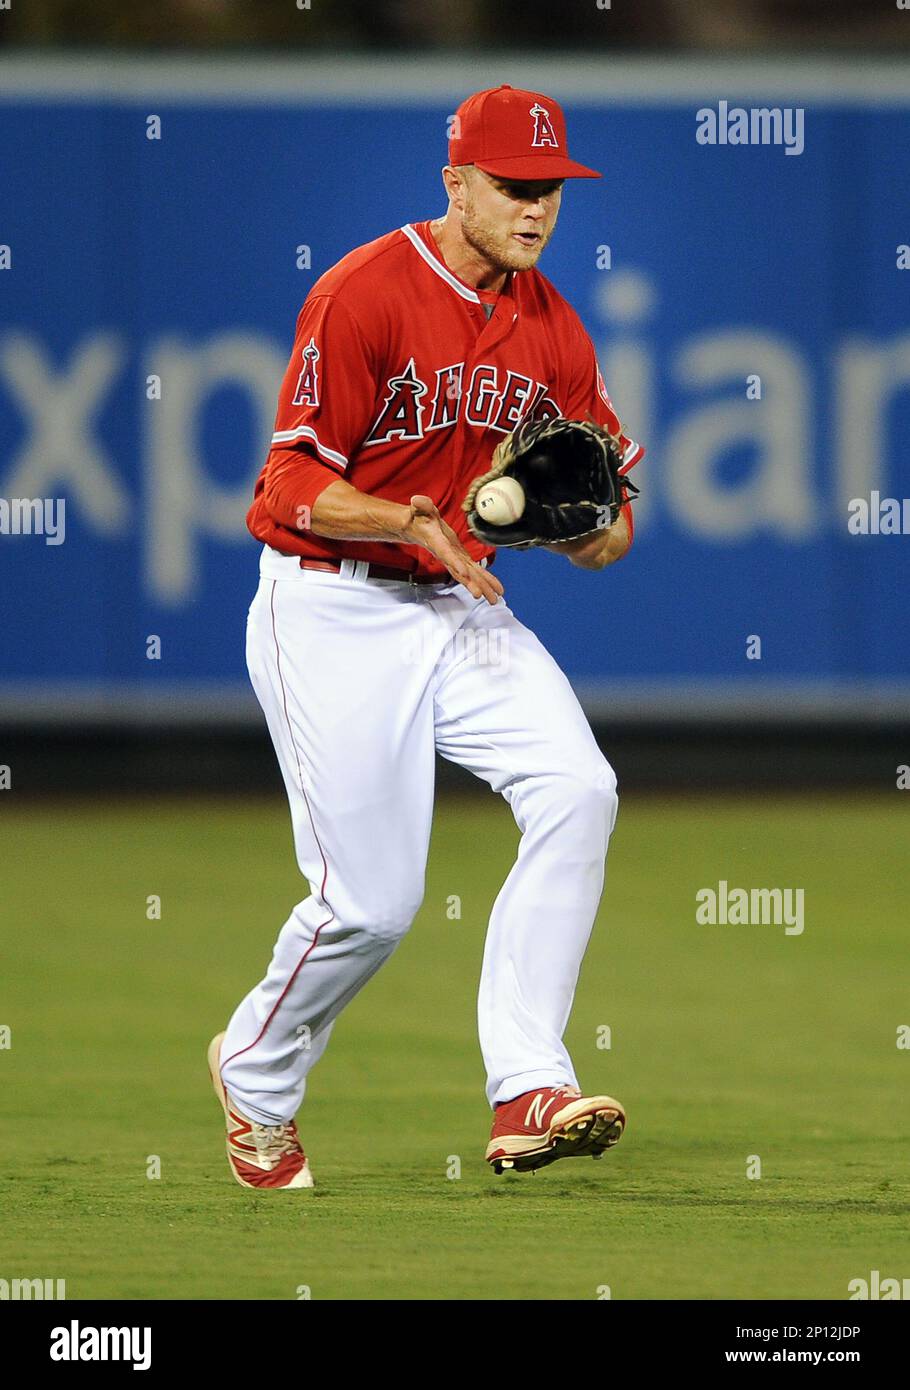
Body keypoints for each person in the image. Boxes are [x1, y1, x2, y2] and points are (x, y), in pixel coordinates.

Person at [207, 84, 644, 1188]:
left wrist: (584, 530)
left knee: (577, 788)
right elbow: (287, 479)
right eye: (512, 186)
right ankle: (255, 1073)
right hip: (332, 602)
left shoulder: (551, 323)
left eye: (549, 188)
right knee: (370, 906)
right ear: (455, 183)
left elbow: (613, 518)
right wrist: (408, 518)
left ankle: (526, 1085)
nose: (536, 208)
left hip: (458, 606)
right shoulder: (363, 292)